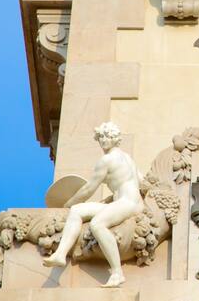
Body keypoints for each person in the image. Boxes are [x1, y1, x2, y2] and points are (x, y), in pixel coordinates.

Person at [42, 122, 144, 287]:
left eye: (107, 136)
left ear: (115, 138)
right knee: (77, 211)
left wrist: (68, 203)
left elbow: (88, 189)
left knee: (97, 224)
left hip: (129, 202)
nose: (103, 140)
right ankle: (60, 254)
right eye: (100, 137)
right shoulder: (128, 158)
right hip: (124, 201)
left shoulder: (106, 160)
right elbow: (142, 182)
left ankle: (117, 273)